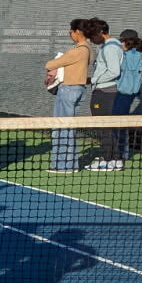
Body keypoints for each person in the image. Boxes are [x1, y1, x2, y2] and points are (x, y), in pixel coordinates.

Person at [43, 19, 98, 174]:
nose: (69, 33)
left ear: (78, 32)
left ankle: (63, 165)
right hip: (74, 89)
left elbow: (50, 64)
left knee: (62, 128)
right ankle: (69, 164)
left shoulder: (79, 50)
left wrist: (57, 64)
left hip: (69, 90)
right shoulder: (86, 49)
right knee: (65, 127)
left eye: (71, 31)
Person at [86, 18, 126, 171]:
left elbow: (114, 71)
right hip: (108, 92)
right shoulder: (111, 46)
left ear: (101, 32)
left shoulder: (110, 48)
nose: (91, 39)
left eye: (93, 35)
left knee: (103, 127)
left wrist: (93, 79)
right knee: (108, 127)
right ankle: (115, 159)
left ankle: (107, 159)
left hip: (105, 93)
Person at [115, 30, 142, 159]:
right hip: (131, 94)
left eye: (122, 41)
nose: (120, 43)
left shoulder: (123, 56)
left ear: (128, 42)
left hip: (121, 92)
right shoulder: (141, 57)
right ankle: (124, 152)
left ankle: (118, 153)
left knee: (116, 123)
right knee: (122, 123)